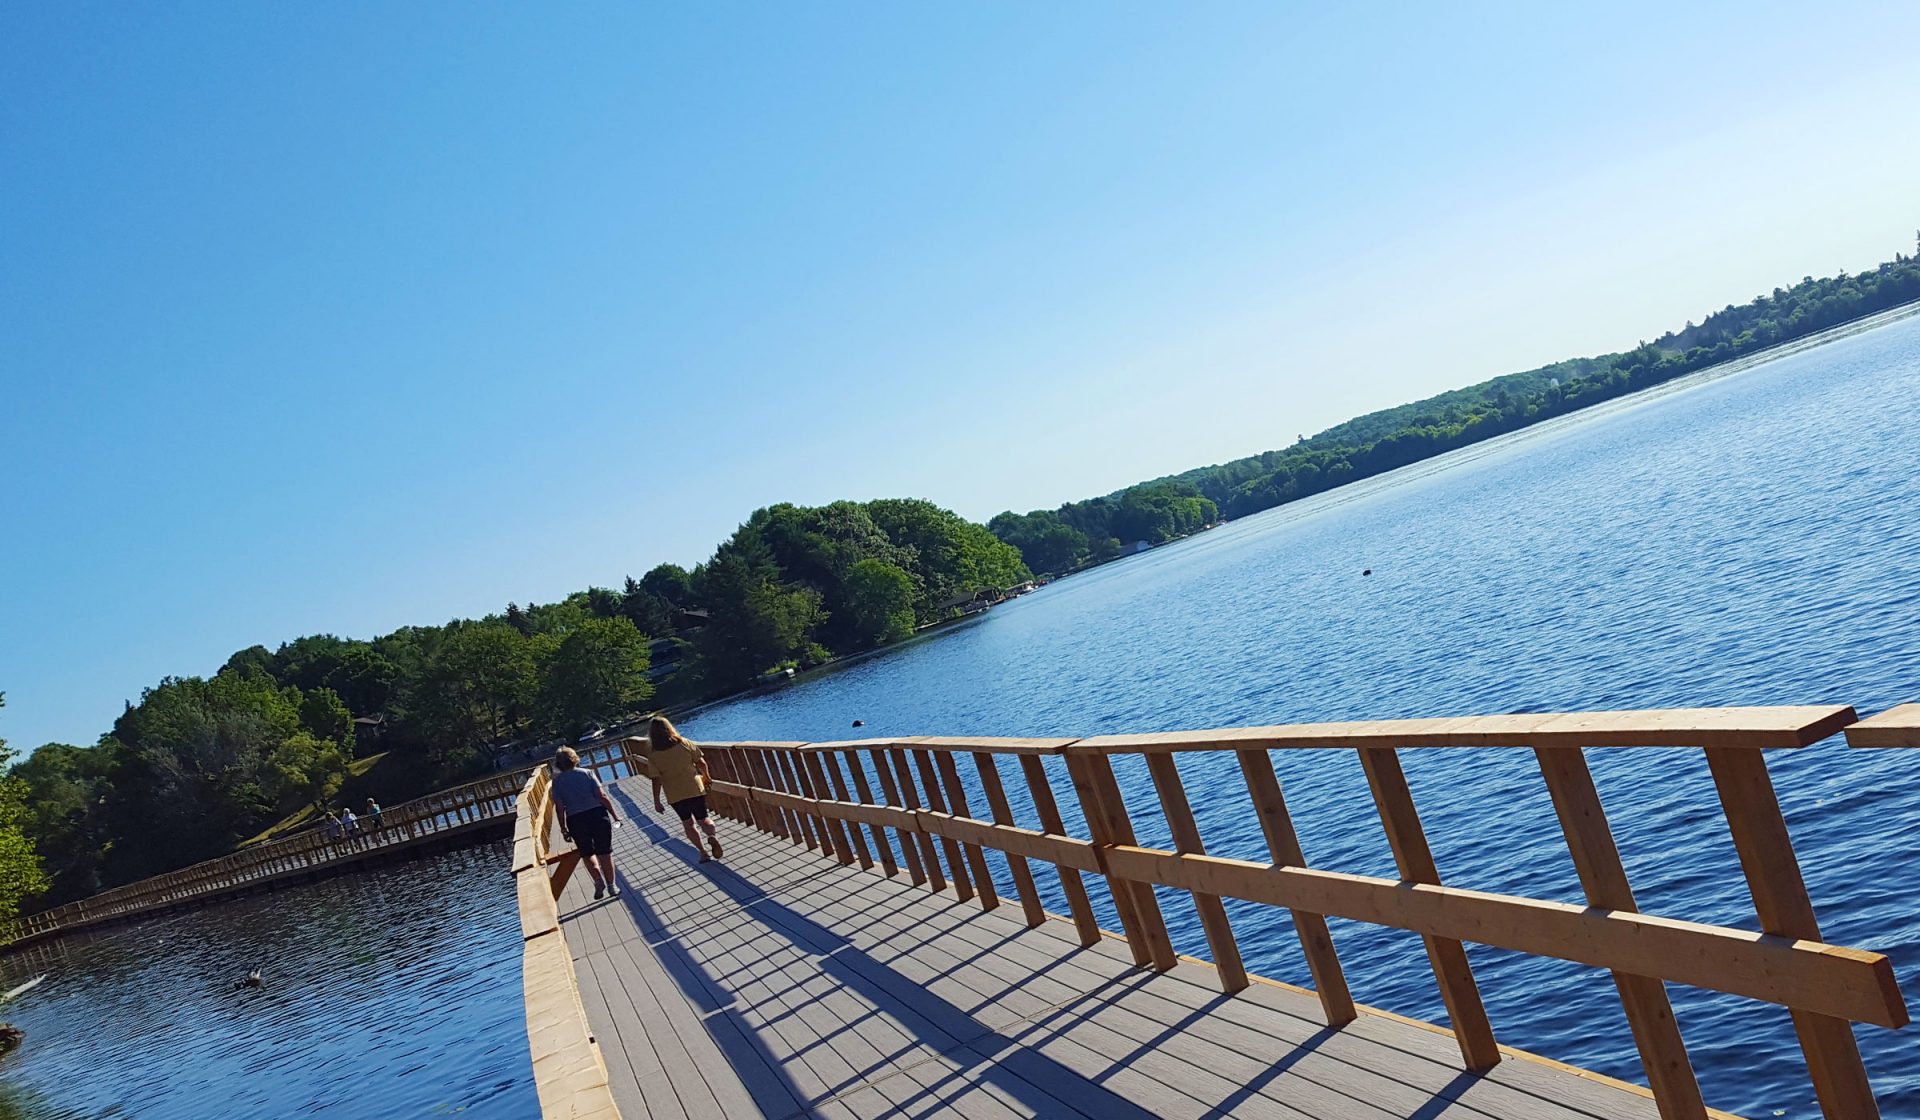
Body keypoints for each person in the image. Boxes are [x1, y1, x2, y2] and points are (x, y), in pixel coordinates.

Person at [645, 716, 723, 863]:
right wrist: (706, 776)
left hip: (675, 794)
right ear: (669, 728)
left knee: (688, 824)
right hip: (694, 787)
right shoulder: (684, 743)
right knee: (703, 818)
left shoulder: (653, 755)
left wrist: (656, 800)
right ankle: (712, 835)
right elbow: (701, 762)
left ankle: (703, 852)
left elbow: (656, 779)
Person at [551, 746, 622, 899]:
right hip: (596, 814)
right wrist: (615, 815)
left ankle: (598, 879)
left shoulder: (557, 783)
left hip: (575, 819)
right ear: (574, 758)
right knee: (604, 852)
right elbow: (602, 796)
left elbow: (559, 807)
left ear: (558, 764)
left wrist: (563, 828)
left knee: (587, 852)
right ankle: (612, 886)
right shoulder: (587, 774)